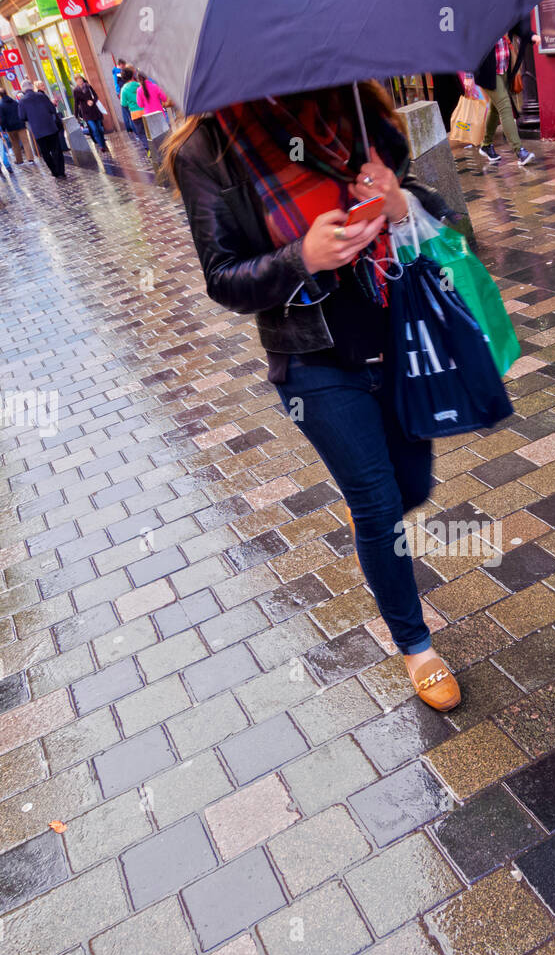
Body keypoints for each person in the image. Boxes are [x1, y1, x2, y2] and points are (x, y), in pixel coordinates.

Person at [166, 83, 464, 710]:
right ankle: (417, 648)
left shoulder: (350, 103)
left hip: (397, 330)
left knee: (412, 488)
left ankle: (381, 542)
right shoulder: (207, 150)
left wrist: (395, 197)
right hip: (313, 359)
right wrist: (301, 256)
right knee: (379, 503)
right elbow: (223, 278)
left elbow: (424, 201)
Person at [474, 18, 537, 167]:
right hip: (487, 73)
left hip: (503, 68)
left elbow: (517, 26)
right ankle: (520, 151)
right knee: (505, 107)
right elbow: (470, 49)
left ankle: (486, 144)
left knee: (496, 108)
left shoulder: (502, 12)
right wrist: (469, 76)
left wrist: (532, 36)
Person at [18, 80, 65, 177]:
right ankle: (61, 171)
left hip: (38, 131)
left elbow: (22, 117)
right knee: (56, 150)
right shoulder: (42, 96)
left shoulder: (22, 101)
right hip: (50, 127)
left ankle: (54, 172)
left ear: (23, 89)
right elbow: (52, 109)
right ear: (32, 87)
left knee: (46, 153)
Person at [73, 74, 108, 153]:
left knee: (100, 129)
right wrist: (75, 115)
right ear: (76, 81)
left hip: (94, 110)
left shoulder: (88, 86)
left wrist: (92, 101)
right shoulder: (76, 90)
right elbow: (76, 103)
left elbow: (95, 96)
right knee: (94, 129)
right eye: (78, 80)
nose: (80, 81)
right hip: (86, 112)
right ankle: (101, 145)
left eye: (81, 79)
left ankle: (102, 143)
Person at [0, 86, 36, 163]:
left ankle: (19, 161)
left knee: (15, 144)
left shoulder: (1, 105)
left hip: (10, 128)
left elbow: (2, 118)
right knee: (25, 142)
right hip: (20, 125)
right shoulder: (14, 102)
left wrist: (3, 129)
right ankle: (30, 159)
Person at [118, 66, 140, 136]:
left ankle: (146, 145)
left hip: (135, 113)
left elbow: (123, 103)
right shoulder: (139, 85)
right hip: (145, 111)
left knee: (141, 133)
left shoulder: (124, 89)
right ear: (132, 75)